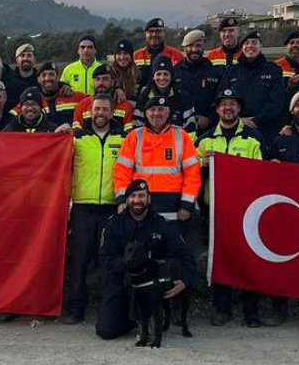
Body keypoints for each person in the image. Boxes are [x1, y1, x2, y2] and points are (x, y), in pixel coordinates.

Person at [196, 89, 266, 327]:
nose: (228, 108)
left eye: (233, 104)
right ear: (217, 109)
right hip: (215, 210)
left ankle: (251, 311)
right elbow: (192, 169)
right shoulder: (205, 139)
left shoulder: (253, 138)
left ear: (239, 109)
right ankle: (222, 309)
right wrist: (203, 164)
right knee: (220, 260)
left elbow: (261, 173)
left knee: (249, 260)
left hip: (245, 210)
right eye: (224, 104)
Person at [95, 180, 196, 340]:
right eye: (133, 196)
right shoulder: (114, 224)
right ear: (127, 200)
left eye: (142, 196)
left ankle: (153, 314)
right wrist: (129, 263)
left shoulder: (161, 224)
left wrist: (185, 280)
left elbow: (185, 255)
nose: (137, 200)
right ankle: (135, 320)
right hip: (123, 283)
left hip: (152, 286)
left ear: (149, 199)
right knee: (106, 330)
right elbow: (106, 258)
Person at [64, 94, 126, 325]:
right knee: (79, 261)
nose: (100, 113)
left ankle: (106, 307)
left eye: (105, 109)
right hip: (82, 207)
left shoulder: (124, 138)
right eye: (96, 109)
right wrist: (60, 132)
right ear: (90, 111)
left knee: (107, 262)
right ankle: (76, 309)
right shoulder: (77, 138)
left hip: (111, 208)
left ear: (112, 113)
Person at [113, 96, 202, 222]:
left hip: (174, 204)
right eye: (152, 110)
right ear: (146, 113)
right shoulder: (135, 136)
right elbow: (122, 171)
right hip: (141, 202)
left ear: (168, 112)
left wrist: (187, 205)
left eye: (161, 109)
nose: (156, 113)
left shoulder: (181, 136)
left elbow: (193, 172)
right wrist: (122, 199)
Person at [212, 30, 285, 143]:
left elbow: (276, 102)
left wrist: (256, 121)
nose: (250, 46)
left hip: (265, 131)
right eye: (246, 43)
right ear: (242, 47)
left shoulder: (274, 71)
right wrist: (239, 120)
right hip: (235, 129)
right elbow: (221, 99)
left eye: (254, 42)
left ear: (261, 46)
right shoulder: (231, 71)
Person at [173, 29, 218, 133]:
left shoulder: (215, 72)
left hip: (208, 129)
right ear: (184, 48)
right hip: (180, 127)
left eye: (198, 45)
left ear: (203, 46)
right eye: (190, 46)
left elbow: (220, 100)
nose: (194, 49)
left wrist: (209, 119)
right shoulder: (175, 72)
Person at [133, 56, 192, 129]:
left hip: (176, 139)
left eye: (166, 74)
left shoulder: (182, 96)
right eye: (158, 74)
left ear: (171, 76)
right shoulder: (144, 96)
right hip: (150, 140)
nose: (162, 78)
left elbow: (190, 127)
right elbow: (137, 126)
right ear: (153, 77)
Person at [71, 66, 133, 131]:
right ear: (93, 82)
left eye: (105, 79)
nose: (100, 83)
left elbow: (129, 134)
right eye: (97, 79)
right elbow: (76, 133)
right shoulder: (82, 105)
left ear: (112, 82)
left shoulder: (126, 106)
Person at [133, 17, 184, 87]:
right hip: (142, 97)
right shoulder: (136, 56)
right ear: (145, 34)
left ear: (164, 33)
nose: (154, 35)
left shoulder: (177, 55)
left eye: (158, 31)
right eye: (151, 31)